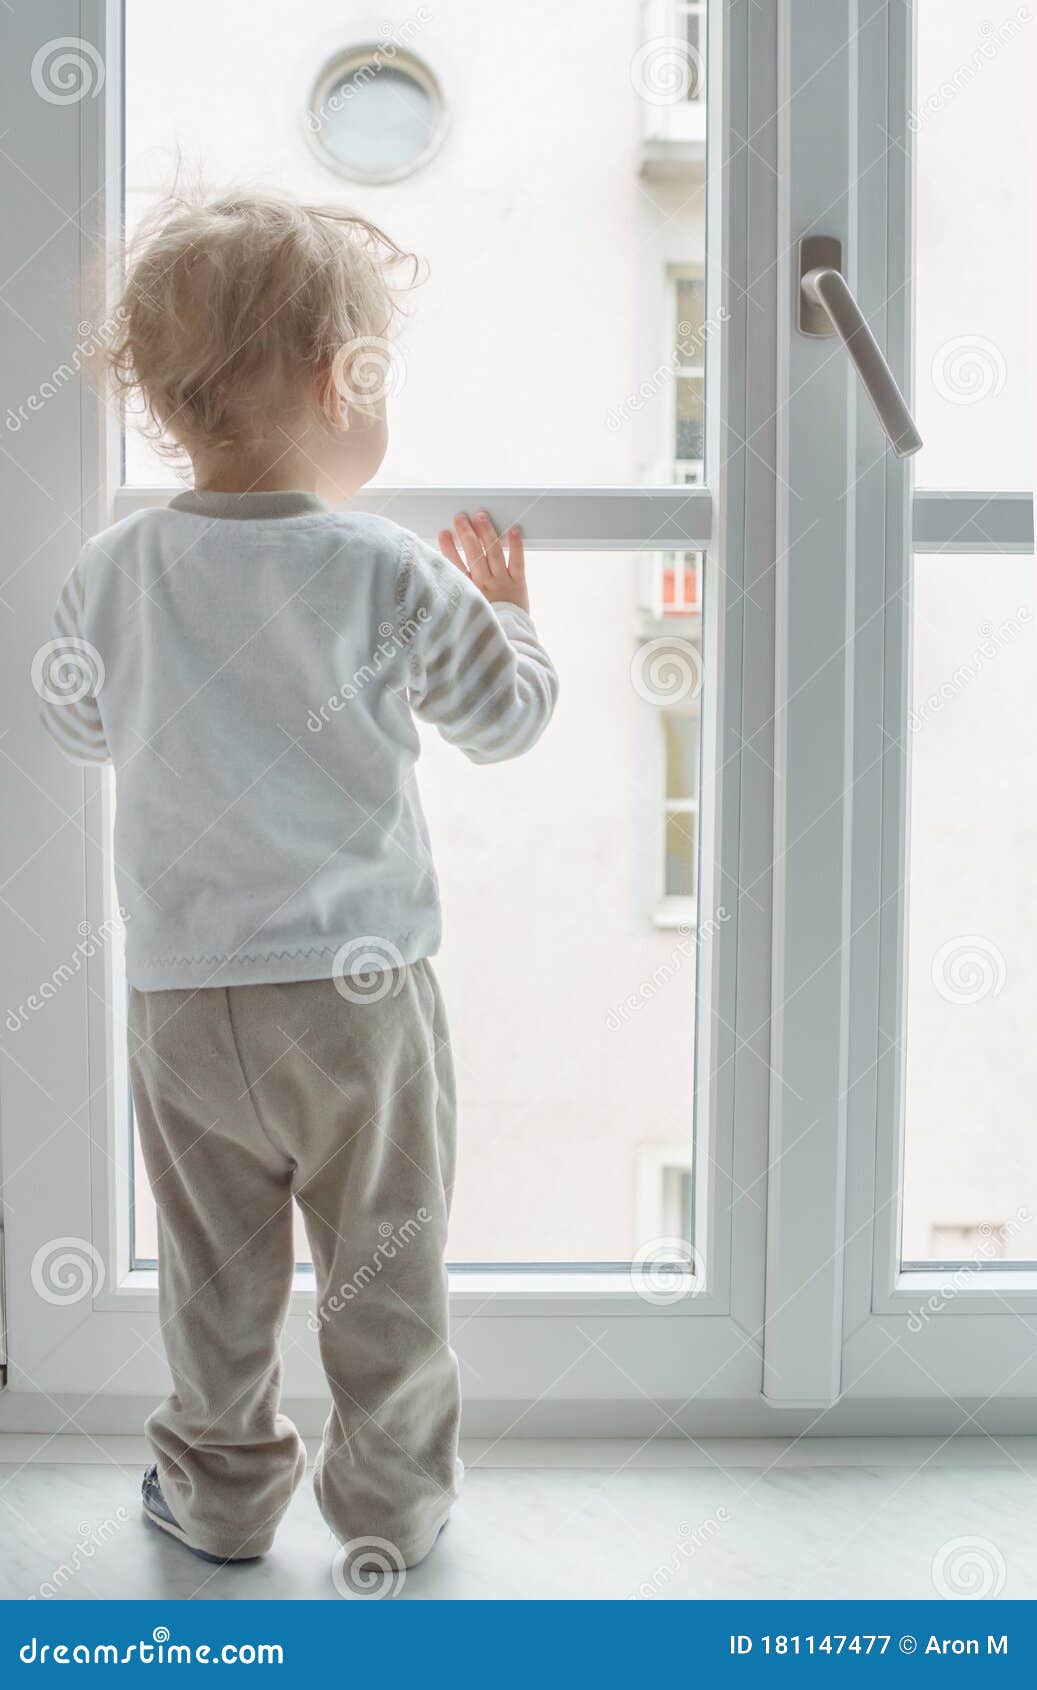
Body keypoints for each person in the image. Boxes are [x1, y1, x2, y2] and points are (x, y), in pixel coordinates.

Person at [38, 191, 559, 1572]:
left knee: (214, 1277)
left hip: (182, 999)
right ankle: (387, 1506)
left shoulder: (113, 571)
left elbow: (79, 722)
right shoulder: (387, 573)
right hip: (355, 1001)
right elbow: (504, 722)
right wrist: (508, 613)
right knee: (383, 1267)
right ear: (343, 382)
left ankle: (214, 1497)